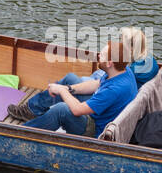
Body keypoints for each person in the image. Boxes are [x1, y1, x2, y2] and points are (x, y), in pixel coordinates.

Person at [9, 38, 139, 137]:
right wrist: (68, 89)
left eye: (102, 55)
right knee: (70, 79)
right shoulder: (123, 70)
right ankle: (31, 110)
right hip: (101, 112)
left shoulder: (113, 90)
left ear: (110, 63)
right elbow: (96, 84)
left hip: (94, 129)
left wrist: (61, 90)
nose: (99, 55)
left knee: (61, 110)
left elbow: (77, 110)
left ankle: (19, 134)